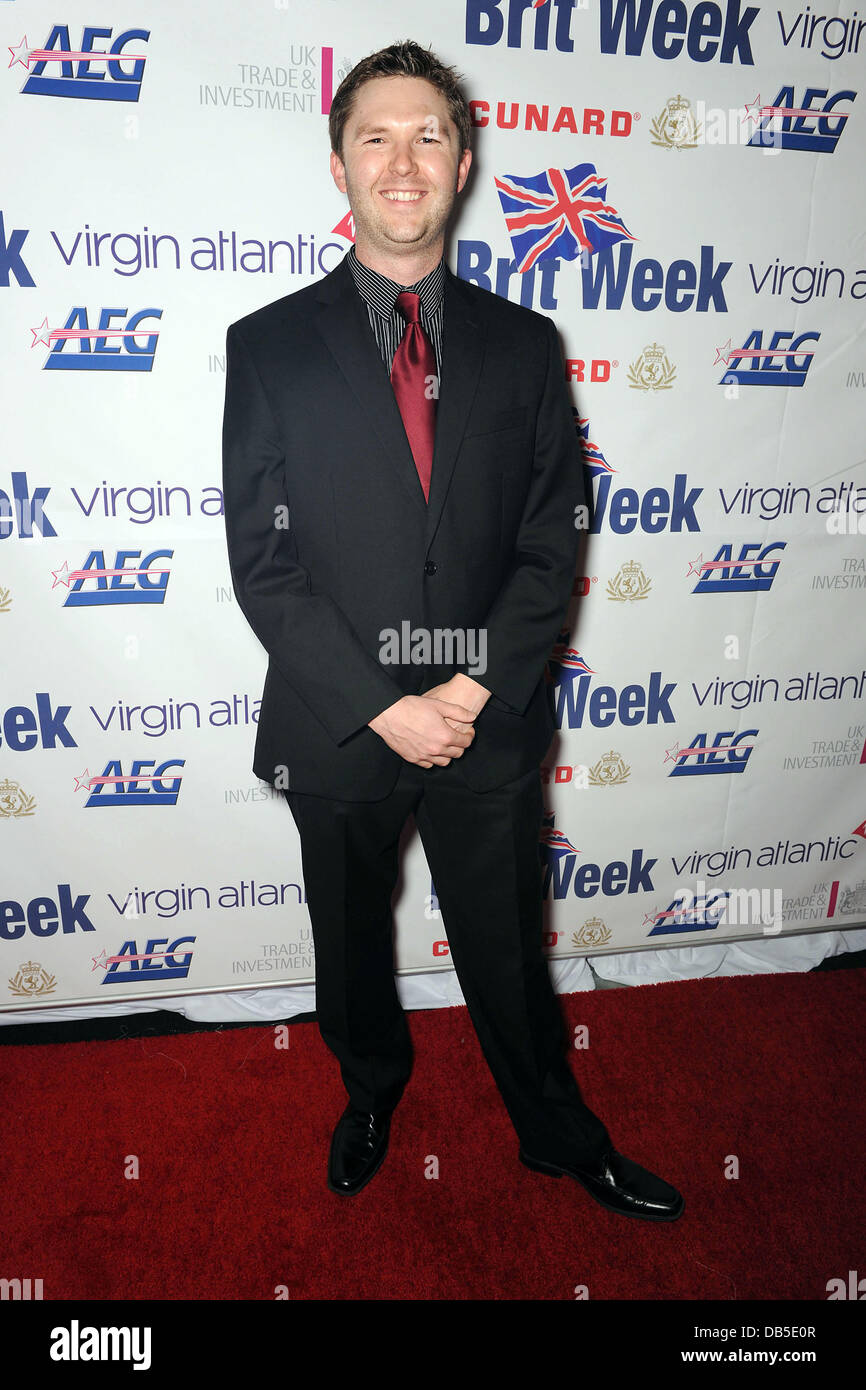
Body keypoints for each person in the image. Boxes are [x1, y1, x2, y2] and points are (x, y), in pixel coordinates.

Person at [222, 40, 683, 1222]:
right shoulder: (265, 345)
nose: (402, 159)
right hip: (340, 717)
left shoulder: (524, 346)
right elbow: (265, 565)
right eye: (375, 135)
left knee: (507, 950)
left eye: (427, 133)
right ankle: (369, 1087)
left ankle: (552, 1129)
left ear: (464, 160)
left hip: (484, 714)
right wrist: (385, 705)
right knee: (349, 943)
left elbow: (549, 538)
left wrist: (465, 695)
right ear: (339, 166)